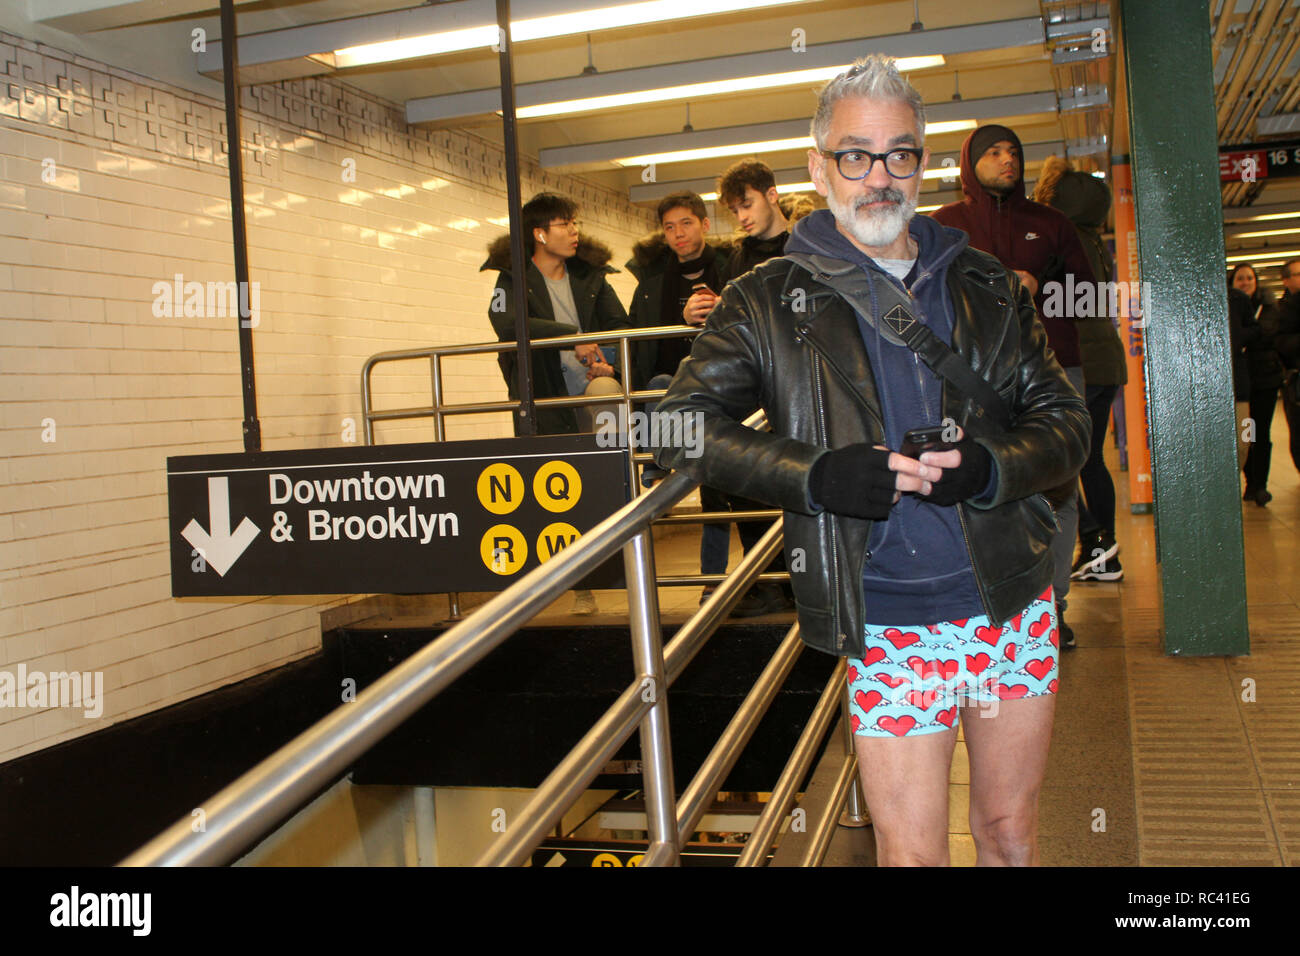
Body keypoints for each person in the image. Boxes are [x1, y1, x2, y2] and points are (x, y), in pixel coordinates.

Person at [652, 55, 1090, 866]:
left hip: (1010, 603)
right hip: (887, 617)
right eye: (856, 155)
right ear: (818, 169)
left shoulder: (986, 284)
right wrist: (815, 476)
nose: (879, 177)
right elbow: (675, 428)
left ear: (922, 161)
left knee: (1007, 836)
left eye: (900, 154)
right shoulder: (762, 300)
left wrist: (990, 467)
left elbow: (1066, 422)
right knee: (913, 854)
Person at [932, 124, 1095, 650]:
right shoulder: (945, 226)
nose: (1008, 160)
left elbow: (1086, 298)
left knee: (1060, 486)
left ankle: (1053, 606)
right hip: (972, 378)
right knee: (978, 482)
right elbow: (923, 298)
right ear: (970, 162)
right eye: (995, 152)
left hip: (1055, 369)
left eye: (1015, 152)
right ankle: (989, 601)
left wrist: (1040, 286)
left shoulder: (1051, 223)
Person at [481, 192, 630, 614]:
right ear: (540, 234)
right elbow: (507, 322)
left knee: (604, 438)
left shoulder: (591, 276)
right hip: (544, 394)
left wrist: (610, 364)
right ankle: (578, 585)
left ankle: (624, 482)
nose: (575, 231)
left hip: (589, 389)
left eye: (575, 223)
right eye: (565, 224)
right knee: (559, 491)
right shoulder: (511, 278)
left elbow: (620, 325)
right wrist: (571, 334)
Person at [625, 191, 735, 605]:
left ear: (705, 225)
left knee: (715, 490)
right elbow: (645, 350)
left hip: (725, 387)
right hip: (674, 388)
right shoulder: (652, 285)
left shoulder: (733, 270)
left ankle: (713, 580)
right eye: (669, 227)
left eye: (686, 223)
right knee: (654, 384)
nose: (678, 234)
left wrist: (721, 310)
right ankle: (658, 466)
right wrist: (680, 320)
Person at [1032, 156, 1126, 583]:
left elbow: (1056, 307)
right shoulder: (1095, 240)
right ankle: (1103, 553)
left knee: (1060, 463)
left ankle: (1091, 536)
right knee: (1090, 462)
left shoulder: (1060, 239)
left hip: (1077, 361)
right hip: (1107, 359)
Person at [1231, 263, 1284, 506]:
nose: (1245, 282)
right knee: (1246, 432)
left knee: (1260, 433)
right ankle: (1249, 479)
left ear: (1256, 281)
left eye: (1249, 278)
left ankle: (1259, 484)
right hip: (1242, 380)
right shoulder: (1233, 304)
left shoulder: (1268, 307)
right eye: (1240, 278)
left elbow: (1267, 333)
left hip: (1264, 381)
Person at [1275, 258, 1300, 472]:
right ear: (1285, 280)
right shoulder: (1282, 309)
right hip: (1295, 381)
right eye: (1298, 274)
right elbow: (1281, 343)